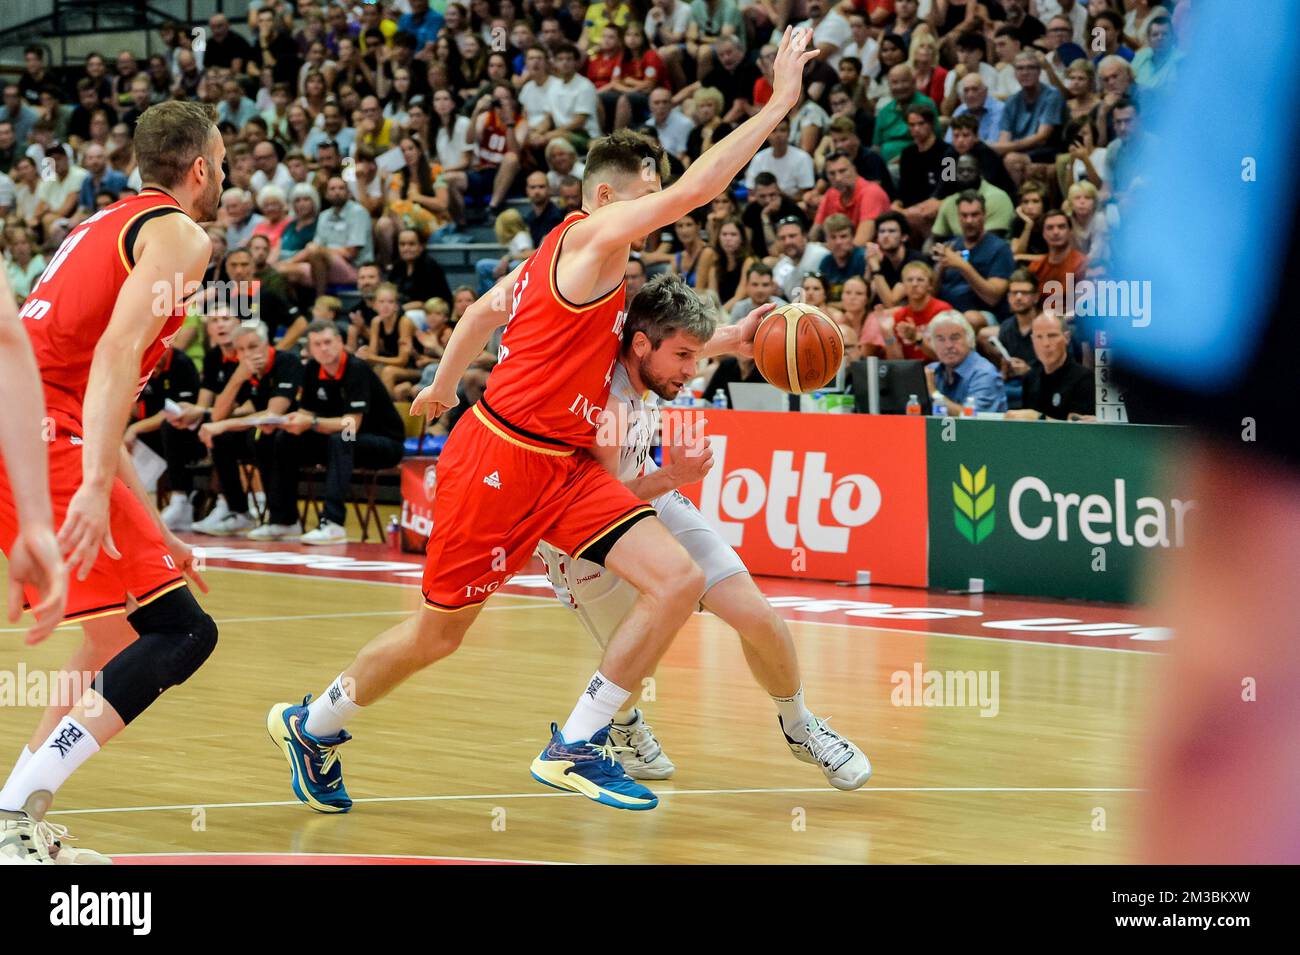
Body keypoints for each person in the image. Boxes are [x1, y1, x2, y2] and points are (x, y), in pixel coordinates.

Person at [266, 27, 822, 815]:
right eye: (644, 194)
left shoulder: (556, 257)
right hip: (499, 460)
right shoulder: (596, 238)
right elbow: (699, 189)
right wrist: (781, 101)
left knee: (677, 577)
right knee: (438, 635)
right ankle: (314, 725)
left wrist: (441, 381)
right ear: (604, 198)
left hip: (560, 466)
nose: (655, 211)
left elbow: (483, 313)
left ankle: (579, 741)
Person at [539, 273, 870, 788]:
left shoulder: (640, 347)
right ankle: (623, 724)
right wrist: (673, 475)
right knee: (629, 666)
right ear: (643, 346)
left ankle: (800, 725)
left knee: (758, 616)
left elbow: (673, 342)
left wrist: (738, 336)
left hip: (652, 499)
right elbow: (590, 508)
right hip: (584, 537)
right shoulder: (602, 402)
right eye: (685, 359)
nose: (693, 371)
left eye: (697, 356)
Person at [0, 100, 218, 864]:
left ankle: (14, 812)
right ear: (200, 170)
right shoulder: (182, 233)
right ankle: (9, 819)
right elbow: (111, 360)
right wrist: (92, 484)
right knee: (183, 631)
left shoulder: (103, 223)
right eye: (220, 164)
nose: (221, 176)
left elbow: (109, 400)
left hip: (26, 422)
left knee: (115, 632)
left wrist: (156, 530)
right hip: (40, 425)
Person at [193, 322, 302, 537]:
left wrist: (223, 424)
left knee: (263, 436)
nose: (247, 354)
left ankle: (285, 519)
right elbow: (217, 416)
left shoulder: (286, 361)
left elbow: (273, 415)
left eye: (253, 347)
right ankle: (239, 512)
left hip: (297, 434)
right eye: (241, 350)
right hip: (264, 431)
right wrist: (237, 378)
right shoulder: (245, 371)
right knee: (220, 438)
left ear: (266, 343)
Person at [125, 347, 205, 531]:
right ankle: (129, 504)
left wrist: (134, 428)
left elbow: (178, 412)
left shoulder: (182, 363)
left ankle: (180, 501)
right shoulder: (140, 361)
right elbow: (136, 409)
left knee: (169, 429)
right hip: (152, 432)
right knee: (118, 439)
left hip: (188, 432)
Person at [933, 190, 1015, 321]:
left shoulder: (1000, 248)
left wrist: (962, 265)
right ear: (958, 217)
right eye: (964, 215)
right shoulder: (951, 246)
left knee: (970, 318)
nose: (969, 220)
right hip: (947, 313)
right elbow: (932, 294)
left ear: (984, 215)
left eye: (974, 215)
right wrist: (940, 268)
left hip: (982, 314)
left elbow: (993, 297)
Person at [1005, 311, 1093, 420]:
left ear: (1066, 338)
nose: (1045, 343)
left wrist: (1038, 418)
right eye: (1039, 337)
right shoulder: (1030, 378)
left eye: (1052, 335)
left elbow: (1078, 431)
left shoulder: (1084, 379)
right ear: (1032, 340)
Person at [924, 310, 1007, 414]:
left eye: (955, 338)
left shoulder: (985, 374)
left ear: (969, 339)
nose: (948, 345)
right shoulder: (930, 371)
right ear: (932, 343)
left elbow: (974, 421)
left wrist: (934, 394)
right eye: (941, 339)